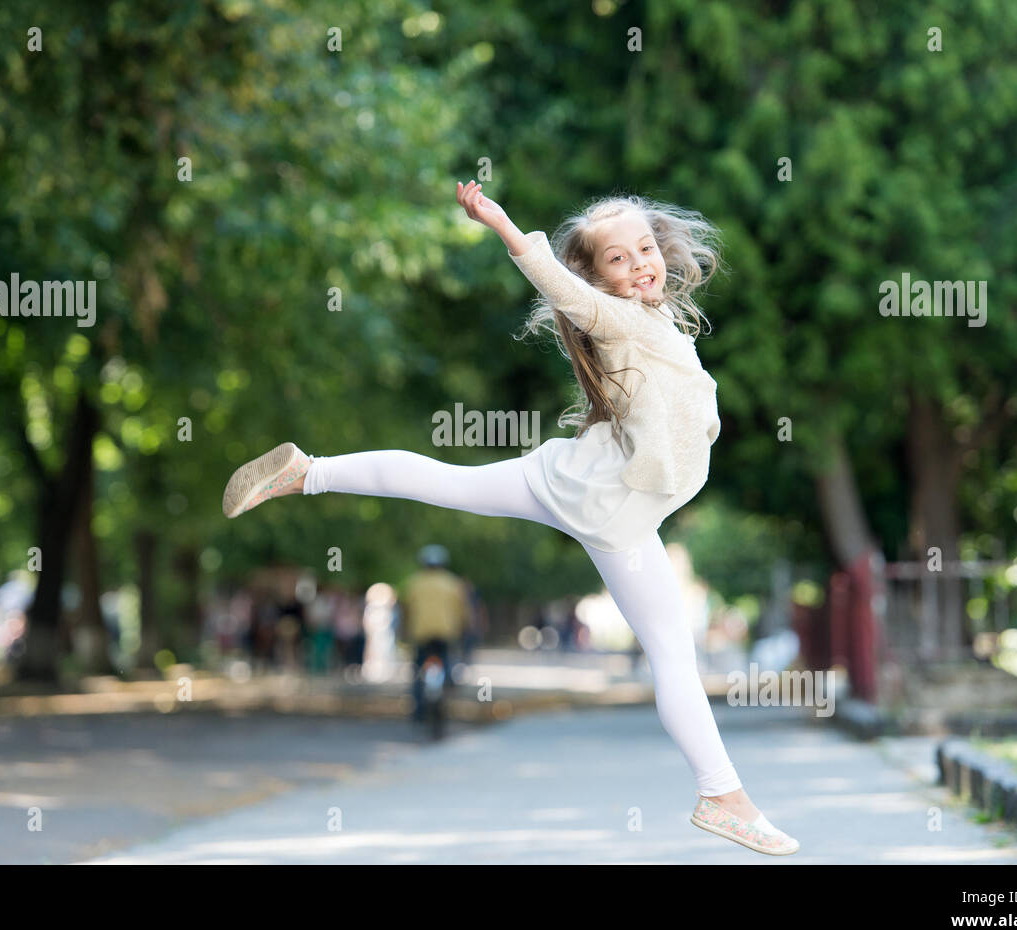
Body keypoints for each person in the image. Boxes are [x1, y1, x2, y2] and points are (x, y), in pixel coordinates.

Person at [221, 182, 798, 855]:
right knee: (670, 652)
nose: (639, 263)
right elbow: (562, 285)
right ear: (595, 276)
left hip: (592, 488)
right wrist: (502, 225)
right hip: (607, 506)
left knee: (451, 485)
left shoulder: (658, 316)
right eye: (617, 258)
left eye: (645, 248)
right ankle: (721, 794)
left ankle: (308, 472)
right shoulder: (614, 316)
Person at [399, 544, 469, 723]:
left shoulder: (414, 583)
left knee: (418, 671)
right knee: (446, 663)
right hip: (445, 633)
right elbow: (463, 611)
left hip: (421, 633)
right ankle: (443, 697)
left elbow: (406, 610)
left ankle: (418, 711)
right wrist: (463, 630)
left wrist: (404, 631)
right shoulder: (453, 583)